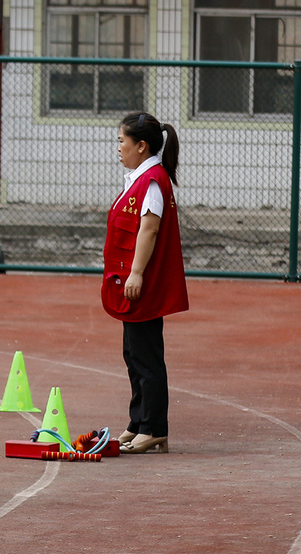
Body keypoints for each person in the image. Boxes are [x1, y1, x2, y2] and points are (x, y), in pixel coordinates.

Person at [103, 112, 188, 454]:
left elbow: (149, 229)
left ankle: (154, 427)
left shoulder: (152, 181)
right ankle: (138, 422)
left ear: (141, 146)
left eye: (121, 141)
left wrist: (136, 273)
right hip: (133, 281)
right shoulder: (141, 177)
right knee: (133, 353)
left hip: (144, 283)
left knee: (147, 356)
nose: (118, 148)